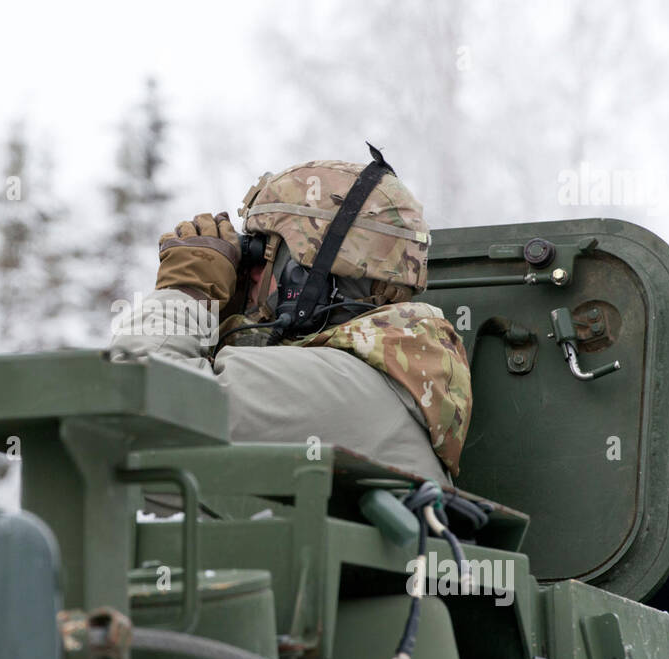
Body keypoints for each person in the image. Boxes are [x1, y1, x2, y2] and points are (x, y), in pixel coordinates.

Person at [109, 147, 471, 485]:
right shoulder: (381, 377)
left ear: (310, 275)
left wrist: (187, 292)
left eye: (265, 255)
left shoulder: (340, 383)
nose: (247, 273)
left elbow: (128, 402)